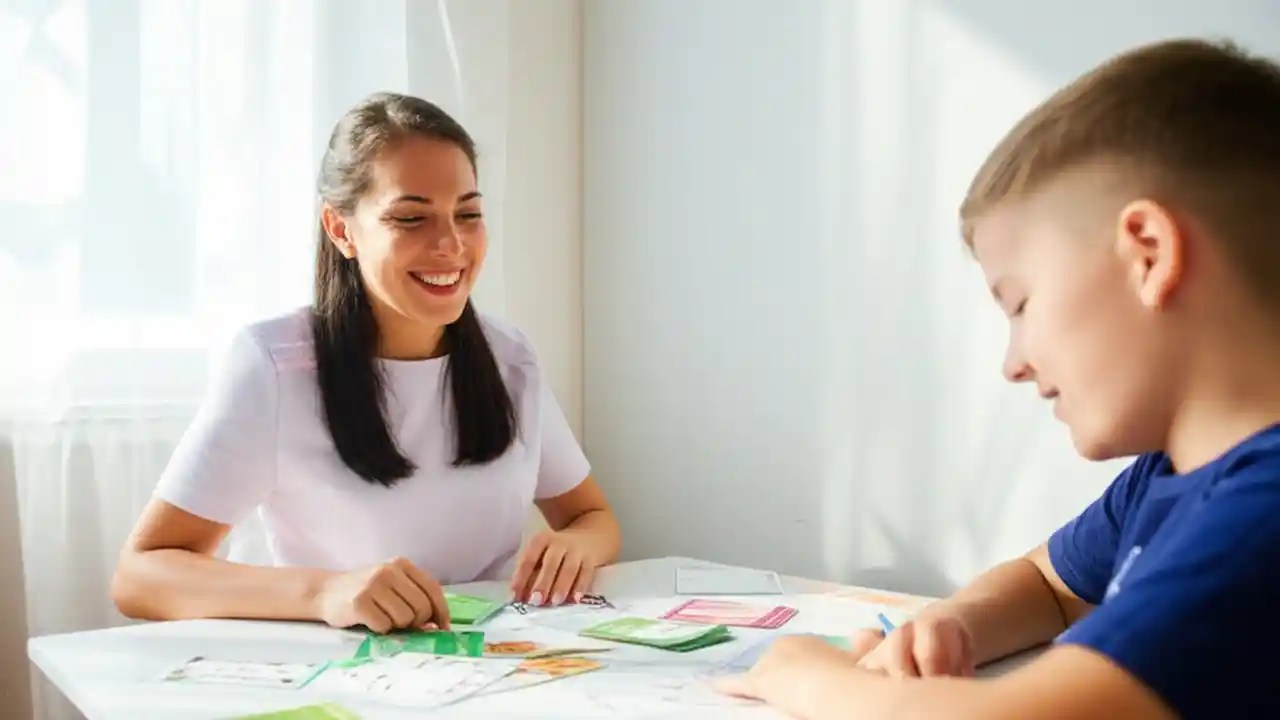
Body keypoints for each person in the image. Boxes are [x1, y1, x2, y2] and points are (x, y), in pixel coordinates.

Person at [719, 38, 1280, 719]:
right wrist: (954, 625)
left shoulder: (1262, 507)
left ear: (1149, 254)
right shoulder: (1165, 477)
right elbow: (1048, 583)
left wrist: (808, 678)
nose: (1013, 363)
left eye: (1020, 304)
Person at [112, 93, 620, 634]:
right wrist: (326, 590)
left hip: (492, 663)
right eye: (411, 217)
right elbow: (140, 576)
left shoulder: (509, 357)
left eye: (468, 213)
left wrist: (575, 546)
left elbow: (593, 518)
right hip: (345, 673)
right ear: (341, 229)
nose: (450, 244)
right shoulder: (275, 367)